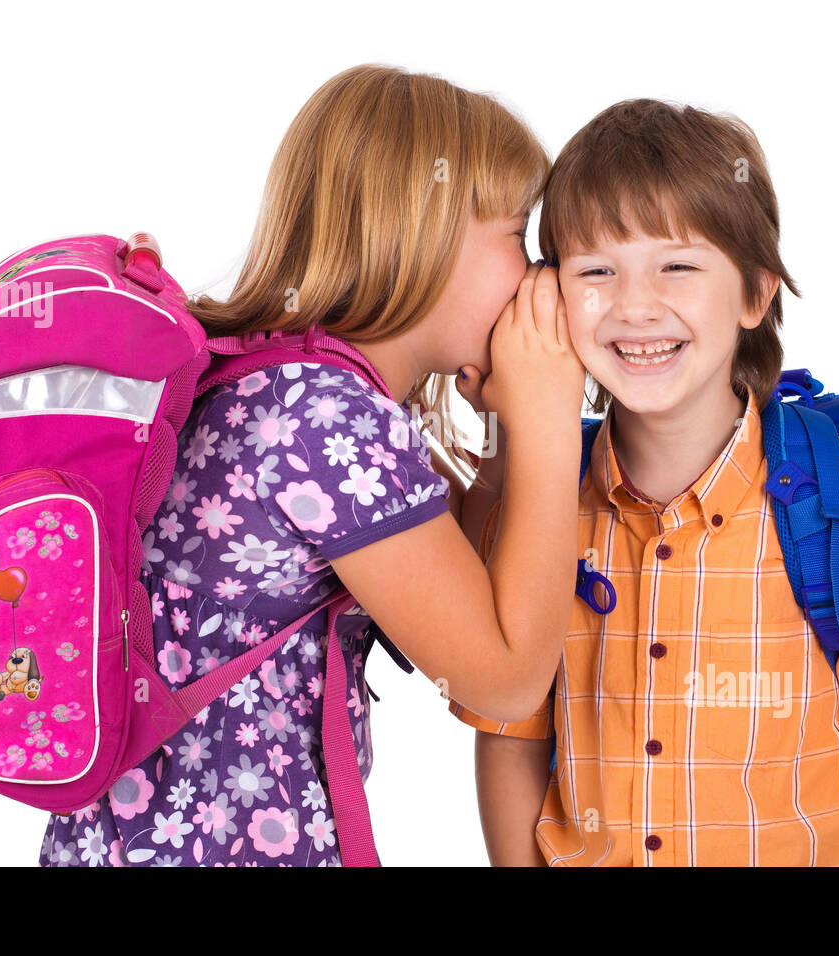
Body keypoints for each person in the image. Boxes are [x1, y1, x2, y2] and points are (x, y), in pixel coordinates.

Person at [39, 64, 585, 866]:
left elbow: (467, 582)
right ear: (423, 233)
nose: (540, 276)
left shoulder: (279, 381)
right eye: (518, 237)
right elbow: (503, 679)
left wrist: (507, 433)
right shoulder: (327, 422)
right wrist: (549, 425)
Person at [450, 98, 839, 866]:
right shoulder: (540, 512)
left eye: (678, 265)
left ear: (755, 293)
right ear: (550, 297)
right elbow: (510, 743)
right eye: (596, 270)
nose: (636, 305)